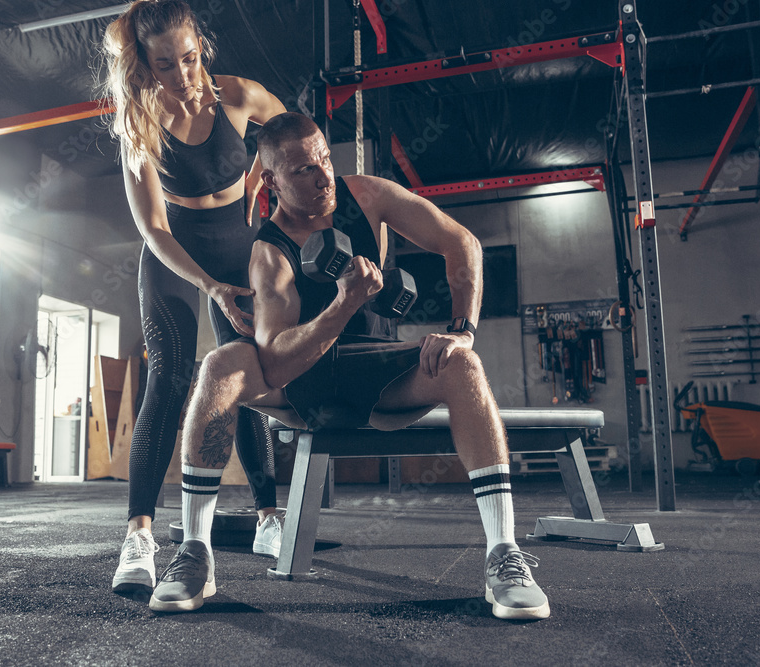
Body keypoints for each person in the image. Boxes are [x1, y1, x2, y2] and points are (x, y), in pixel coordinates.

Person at [148, 112, 550, 621]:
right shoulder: (269, 251)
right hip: (301, 383)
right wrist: (342, 305)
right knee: (221, 365)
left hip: (379, 371)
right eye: (302, 171)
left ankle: (504, 554)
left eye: (324, 160)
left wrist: (461, 329)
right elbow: (275, 361)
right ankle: (195, 554)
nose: (322, 179)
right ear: (270, 181)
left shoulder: (368, 197)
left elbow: (462, 242)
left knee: (462, 364)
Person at [100, 0, 288, 599]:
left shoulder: (240, 96)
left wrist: (265, 178)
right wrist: (208, 284)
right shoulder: (141, 123)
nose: (183, 76)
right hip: (176, 254)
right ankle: (139, 536)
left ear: (200, 47)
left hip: (239, 244)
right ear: (144, 66)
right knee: (171, 379)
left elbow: (294, 138)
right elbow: (153, 228)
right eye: (164, 65)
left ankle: (267, 517)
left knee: (247, 374)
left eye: (189, 58)